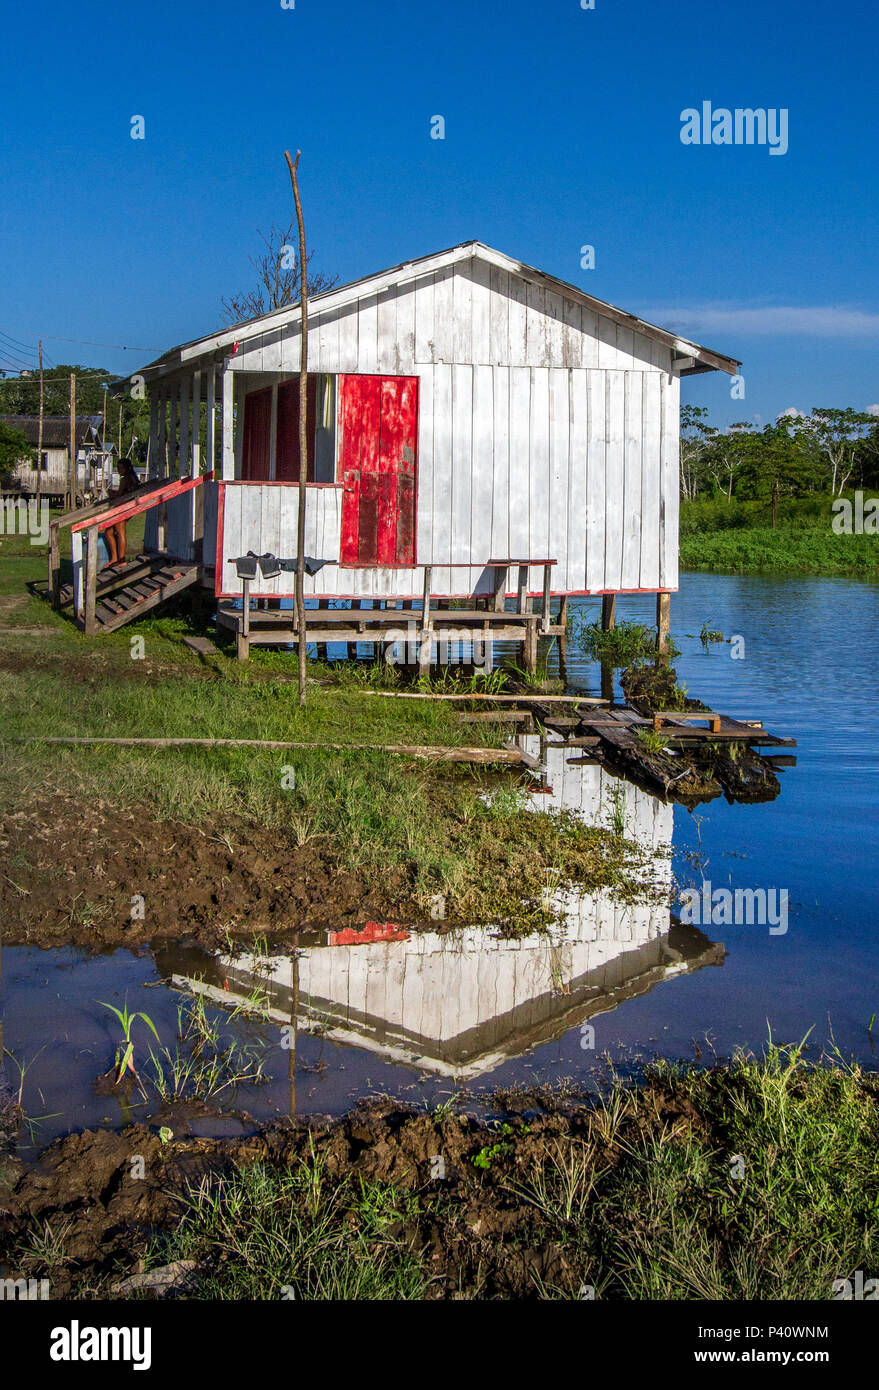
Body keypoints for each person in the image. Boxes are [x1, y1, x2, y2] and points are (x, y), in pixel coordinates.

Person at [103, 459, 140, 569]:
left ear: (127, 468)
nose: (119, 470)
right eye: (118, 468)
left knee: (120, 532)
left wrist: (111, 493)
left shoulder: (126, 479)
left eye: (121, 468)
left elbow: (119, 494)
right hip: (126, 506)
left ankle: (121, 559)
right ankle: (115, 558)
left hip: (123, 507)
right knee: (109, 531)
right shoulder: (134, 478)